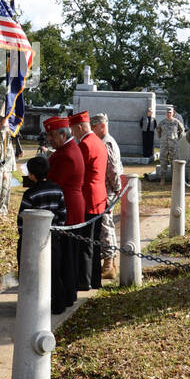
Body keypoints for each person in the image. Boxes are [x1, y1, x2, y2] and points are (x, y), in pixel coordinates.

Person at [43, 115, 85, 313]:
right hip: (69, 205)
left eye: (52, 135)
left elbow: (54, 183)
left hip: (68, 208)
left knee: (65, 257)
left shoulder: (66, 154)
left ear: (62, 134)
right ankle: (68, 294)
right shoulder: (66, 149)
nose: (49, 139)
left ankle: (65, 296)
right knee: (67, 255)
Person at [69, 111, 107, 289]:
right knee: (95, 242)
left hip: (88, 197)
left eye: (73, 130)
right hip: (99, 196)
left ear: (79, 128)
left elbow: (78, 172)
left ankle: (84, 281)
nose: (72, 134)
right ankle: (95, 279)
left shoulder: (84, 144)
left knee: (85, 242)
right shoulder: (99, 142)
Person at [15, 154, 66, 273]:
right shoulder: (57, 189)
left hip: (33, 236)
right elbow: (62, 213)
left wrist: (24, 236)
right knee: (52, 267)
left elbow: (22, 218)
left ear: (32, 176)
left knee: (30, 268)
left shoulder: (30, 193)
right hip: (53, 234)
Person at [91, 113, 122, 279]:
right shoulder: (105, 141)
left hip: (107, 190)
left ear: (101, 126)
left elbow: (113, 169)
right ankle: (109, 261)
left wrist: (117, 187)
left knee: (106, 225)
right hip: (105, 189)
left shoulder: (106, 142)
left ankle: (109, 263)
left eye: (94, 127)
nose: (92, 130)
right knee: (105, 224)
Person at [155, 108, 185, 181]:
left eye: (170, 112)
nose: (169, 114)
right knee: (163, 161)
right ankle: (163, 178)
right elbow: (158, 131)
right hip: (164, 145)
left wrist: (177, 139)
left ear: (172, 113)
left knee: (174, 162)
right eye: (168, 112)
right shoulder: (162, 122)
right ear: (166, 113)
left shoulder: (176, 122)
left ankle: (174, 178)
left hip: (173, 145)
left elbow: (182, 130)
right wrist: (162, 139)